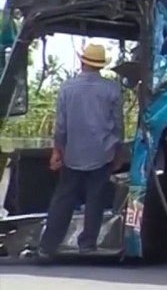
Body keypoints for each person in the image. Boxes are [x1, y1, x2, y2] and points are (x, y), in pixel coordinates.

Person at [39, 42, 125, 257]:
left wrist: (57, 151)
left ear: (82, 61)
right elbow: (118, 125)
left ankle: (48, 245)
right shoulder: (112, 89)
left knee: (64, 198)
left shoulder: (67, 88)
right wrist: (118, 152)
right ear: (101, 65)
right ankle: (87, 243)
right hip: (103, 153)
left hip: (73, 154)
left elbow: (61, 126)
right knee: (96, 198)